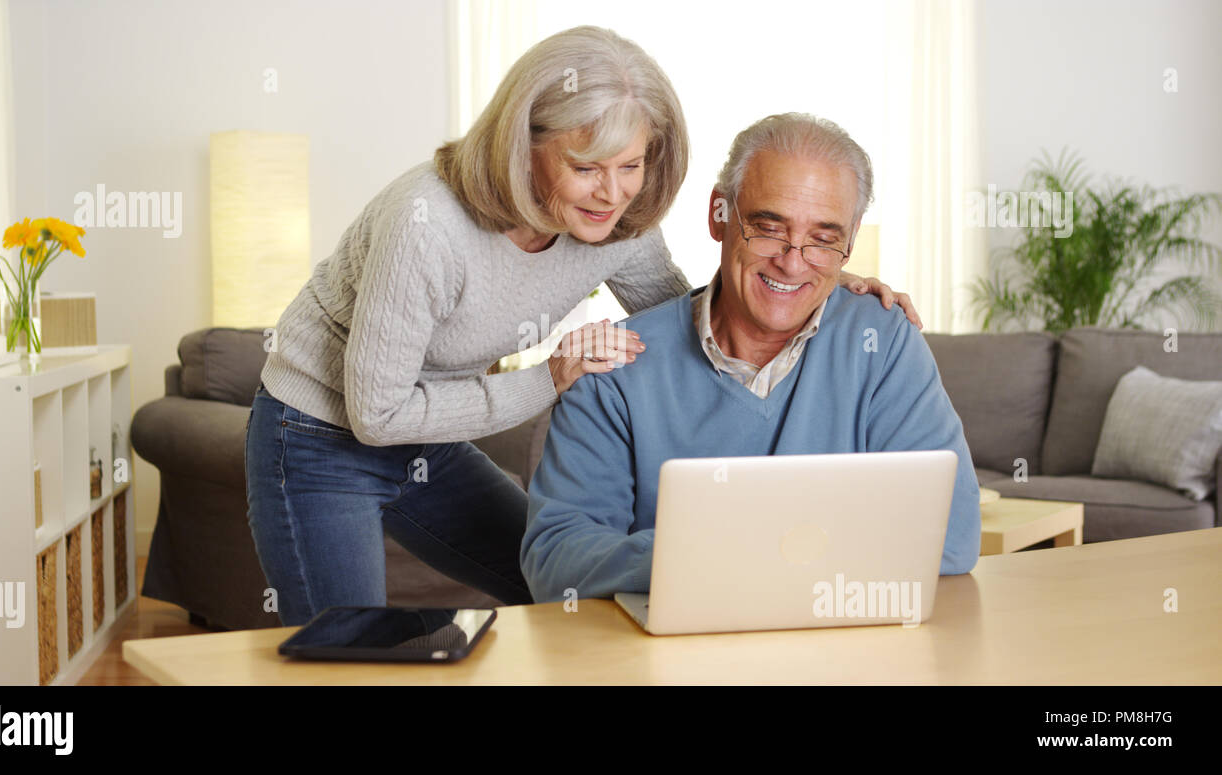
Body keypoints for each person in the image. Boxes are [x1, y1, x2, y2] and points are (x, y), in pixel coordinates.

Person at [245, 27, 920, 626]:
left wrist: (816, 286)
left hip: (429, 429)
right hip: (318, 433)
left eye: (631, 166)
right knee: (341, 653)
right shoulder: (427, 226)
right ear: (524, 144)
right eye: (585, 167)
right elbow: (377, 415)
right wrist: (551, 377)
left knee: (557, 590)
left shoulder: (618, 226)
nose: (613, 192)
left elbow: (689, 320)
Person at [520, 112, 980, 603]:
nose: (792, 260)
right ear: (720, 214)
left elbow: (949, 537)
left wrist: (722, 554)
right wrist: (719, 554)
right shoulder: (612, 364)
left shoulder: (883, 342)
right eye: (768, 228)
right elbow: (557, 561)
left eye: (823, 239)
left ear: (850, 238)